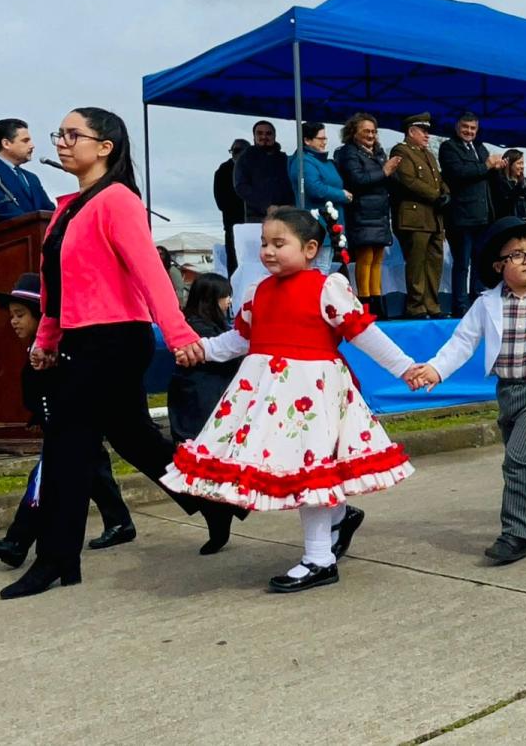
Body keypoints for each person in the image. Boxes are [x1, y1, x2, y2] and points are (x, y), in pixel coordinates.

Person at [2, 107, 236, 601]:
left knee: (67, 445)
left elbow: (150, 270)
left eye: (73, 134)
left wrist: (178, 336)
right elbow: (54, 286)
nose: (62, 143)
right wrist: (45, 340)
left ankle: (55, 559)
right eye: (58, 134)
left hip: (115, 339)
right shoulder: (68, 208)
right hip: (81, 339)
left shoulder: (118, 200)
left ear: (105, 147)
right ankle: (214, 502)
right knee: (136, 440)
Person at [162, 207, 420, 593]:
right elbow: (241, 340)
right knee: (303, 470)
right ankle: (338, 519)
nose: (268, 251)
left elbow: (363, 334)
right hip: (265, 393)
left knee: (309, 470)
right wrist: (203, 350)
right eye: (264, 243)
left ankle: (320, 559)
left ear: (310, 248)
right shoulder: (257, 292)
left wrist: (406, 368)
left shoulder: (327, 287)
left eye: (279, 243)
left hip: (310, 393)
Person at [410, 217, 526, 565]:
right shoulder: (488, 303)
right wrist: (436, 369)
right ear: (500, 266)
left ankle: (516, 532)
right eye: (517, 255)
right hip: (509, 392)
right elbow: (462, 341)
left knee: (516, 458)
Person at [0, 273, 136, 569]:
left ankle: (17, 542)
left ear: (42, 316)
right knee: (94, 471)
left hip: (77, 424)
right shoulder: (37, 352)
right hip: (67, 428)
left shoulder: (61, 351)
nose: (13, 321)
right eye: (11, 315)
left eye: (21, 315)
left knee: (43, 479)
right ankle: (120, 522)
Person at [334, 113, 402, 318]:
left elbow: (387, 179)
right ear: (354, 132)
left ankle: (377, 299)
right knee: (365, 258)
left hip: (379, 212)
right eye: (366, 131)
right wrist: (385, 172)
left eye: (374, 131)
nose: (371, 135)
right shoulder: (348, 153)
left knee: (378, 258)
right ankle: (365, 302)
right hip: (361, 212)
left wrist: (392, 172)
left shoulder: (379, 152)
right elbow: (357, 180)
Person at [439, 112, 504, 316]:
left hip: (482, 215)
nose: (469, 132)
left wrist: (497, 168)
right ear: (457, 127)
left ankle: (478, 300)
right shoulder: (449, 147)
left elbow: (486, 177)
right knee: (462, 263)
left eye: (473, 128)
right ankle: (460, 304)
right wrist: (486, 165)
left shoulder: (480, 147)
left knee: (479, 260)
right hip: (461, 216)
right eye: (465, 127)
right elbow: (459, 173)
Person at [167, 273, 241, 444]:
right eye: (225, 296)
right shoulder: (201, 330)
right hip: (202, 401)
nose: (229, 301)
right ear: (212, 299)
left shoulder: (193, 325)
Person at [390, 113, 449, 319]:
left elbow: (438, 179)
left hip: (433, 218)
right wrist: (436, 196)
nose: (427, 135)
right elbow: (409, 180)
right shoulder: (401, 151)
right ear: (411, 131)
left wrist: (446, 193)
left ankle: (432, 305)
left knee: (434, 263)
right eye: (423, 131)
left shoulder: (428, 154)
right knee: (416, 264)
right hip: (415, 218)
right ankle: (416, 306)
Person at [0, 119, 55, 222]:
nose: (32, 145)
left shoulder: (31, 178)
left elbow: (50, 212)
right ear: (6, 143)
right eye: (25, 141)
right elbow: (5, 211)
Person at [234, 120, 294, 221]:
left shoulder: (284, 159)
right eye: (260, 133)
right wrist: (265, 206)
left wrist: (291, 205)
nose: (264, 137)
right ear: (254, 136)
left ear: (274, 136)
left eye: (268, 133)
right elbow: (241, 187)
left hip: (285, 216)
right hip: (257, 217)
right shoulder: (246, 158)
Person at [213, 138, 250, 274]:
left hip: (254, 222)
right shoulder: (223, 171)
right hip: (233, 223)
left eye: (241, 150)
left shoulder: (254, 168)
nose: (237, 154)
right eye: (234, 151)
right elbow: (220, 201)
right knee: (234, 262)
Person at [489, 149, 526, 221]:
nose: (522, 166)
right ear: (509, 164)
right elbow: (504, 205)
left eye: (522, 163)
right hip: (513, 226)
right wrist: (519, 187)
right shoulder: (501, 183)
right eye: (519, 163)